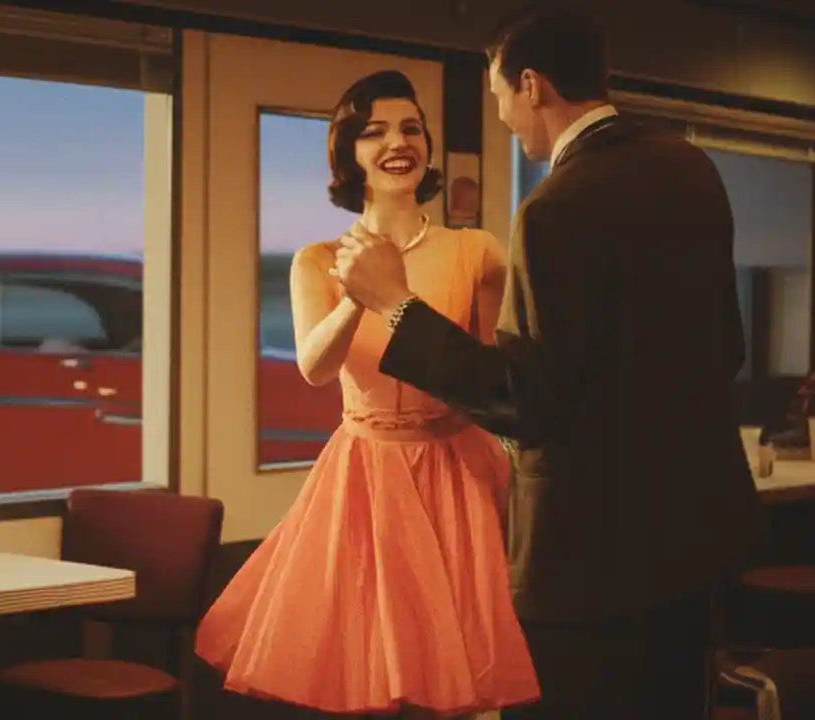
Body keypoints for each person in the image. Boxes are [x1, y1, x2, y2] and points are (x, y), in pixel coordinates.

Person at [334, 5, 764, 719]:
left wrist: (396, 307)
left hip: (587, 566)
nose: (502, 115)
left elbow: (527, 399)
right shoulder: (691, 169)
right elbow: (728, 348)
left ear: (531, 84)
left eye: (499, 94)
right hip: (694, 543)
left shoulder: (555, 208)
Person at [195, 70, 541, 719]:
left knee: (468, 682)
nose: (397, 142)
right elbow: (314, 367)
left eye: (411, 128)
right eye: (375, 131)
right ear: (349, 152)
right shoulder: (317, 258)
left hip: (458, 473)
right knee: (367, 669)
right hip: (365, 477)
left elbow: (490, 373)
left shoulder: (477, 250)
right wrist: (359, 293)